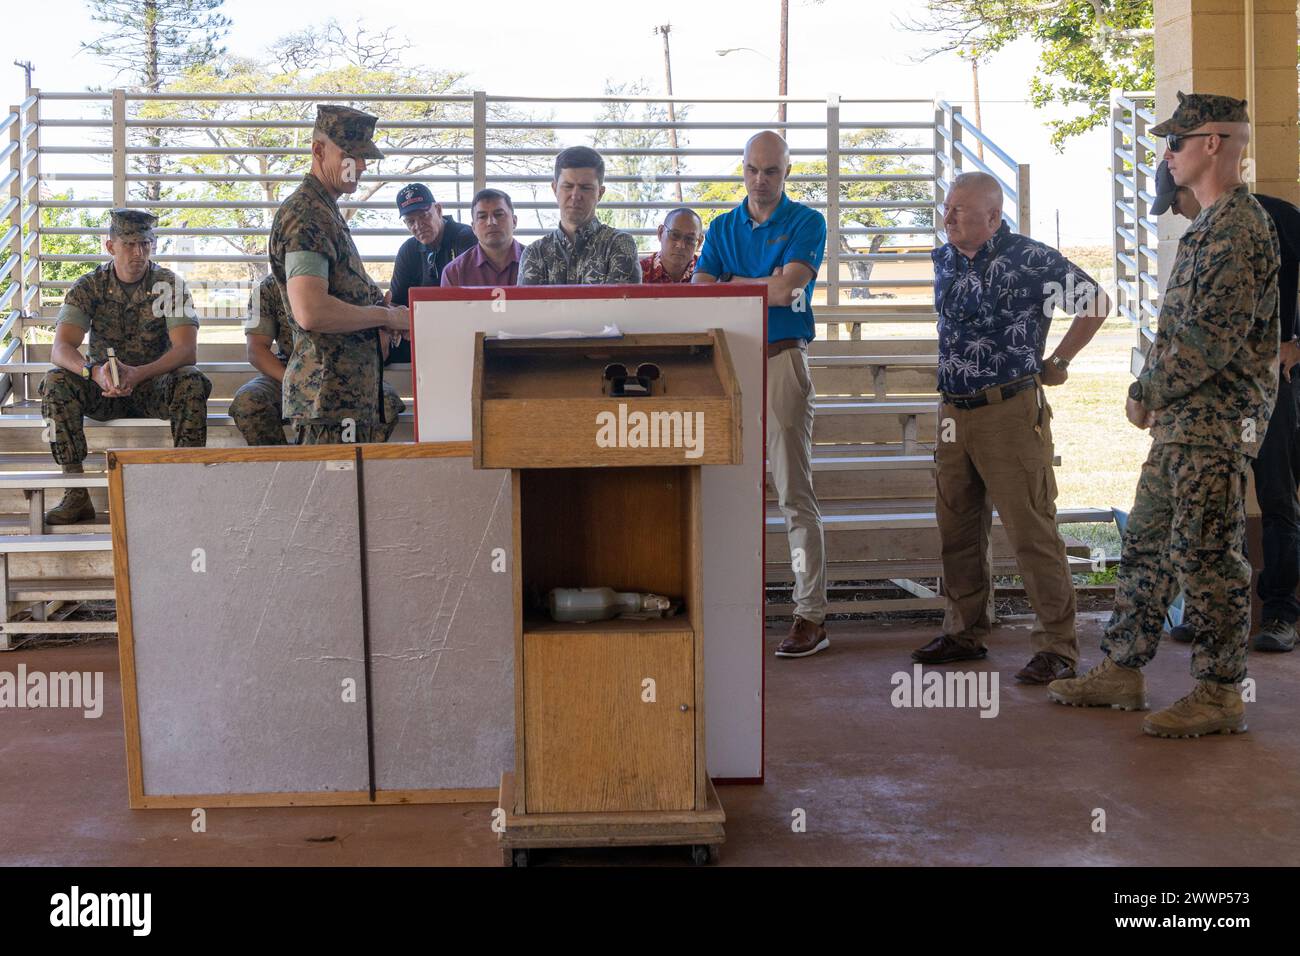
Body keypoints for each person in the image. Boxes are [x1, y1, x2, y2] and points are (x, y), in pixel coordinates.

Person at [1049, 92, 1280, 738]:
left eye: (1176, 143)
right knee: (1148, 542)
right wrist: (1155, 390)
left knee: (1207, 554)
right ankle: (1123, 669)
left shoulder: (1239, 228)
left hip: (1214, 424)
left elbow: (1211, 338)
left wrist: (1147, 387)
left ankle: (1218, 689)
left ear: (1214, 144)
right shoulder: (1209, 226)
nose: (1167, 155)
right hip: (1185, 424)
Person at [912, 171, 1109, 684]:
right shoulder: (945, 258)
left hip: (1010, 411)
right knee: (956, 529)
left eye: (960, 209)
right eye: (947, 207)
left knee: (1031, 531)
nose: (948, 217)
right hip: (953, 412)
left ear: (994, 216)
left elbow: (1097, 301)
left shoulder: (1032, 259)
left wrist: (1060, 359)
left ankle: (1057, 647)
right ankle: (964, 632)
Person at [1151, 160, 1300, 654]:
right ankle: (1209, 610)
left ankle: (1280, 613)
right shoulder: (1200, 237)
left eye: (1176, 201)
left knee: (1277, 498)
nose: (1178, 212)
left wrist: (1296, 343)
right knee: (1218, 498)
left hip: (1273, 388)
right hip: (1216, 398)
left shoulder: (1278, 217)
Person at [693, 130, 829, 658]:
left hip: (781, 360)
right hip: (726, 369)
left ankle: (809, 614)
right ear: (742, 169)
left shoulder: (806, 221)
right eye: (753, 169)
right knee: (724, 490)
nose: (761, 178)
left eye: (771, 170)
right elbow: (701, 295)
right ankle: (725, 609)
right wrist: (759, 282)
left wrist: (735, 280)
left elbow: (786, 289)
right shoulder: (723, 224)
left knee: (794, 493)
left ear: (787, 172)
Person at [40, 208, 211, 524]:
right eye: (130, 244)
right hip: (103, 389)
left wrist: (140, 373)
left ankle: (185, 490)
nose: (139, 252)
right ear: (111, 247)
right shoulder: (89, 286)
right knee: (55, 381)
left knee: (191, 380)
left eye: (146, 243)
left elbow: (187, 350)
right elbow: (61, 348)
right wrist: (93, 372)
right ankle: (76, 491)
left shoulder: (168, 284)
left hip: (152, 387)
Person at [267, 104, 409, 446]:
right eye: (351, 155)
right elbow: (312, 311)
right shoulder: (307, 216)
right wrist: (386, 315)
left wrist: (377, 316)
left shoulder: (325, 211)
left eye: (364, 158)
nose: (360, 166)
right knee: (330, 500)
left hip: (344, 399)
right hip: (328, 402)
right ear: (319, 150)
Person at [231, 274, 405, 445]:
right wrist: (296, 383)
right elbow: (256, 350)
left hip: (351, 371)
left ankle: (354, 467)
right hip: (290, 370)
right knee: (248, 403)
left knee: (387, 404)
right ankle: (283, 467)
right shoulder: (267, 289)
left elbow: (382, 351)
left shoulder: (356, 280)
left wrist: (382, 330)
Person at [518, 146, 641, 285]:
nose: (575, 196)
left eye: (585, 187)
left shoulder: (619, 245)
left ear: (600, 193)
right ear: (554, 188)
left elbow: (620, 305)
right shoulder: (535, 253)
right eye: (568, 186)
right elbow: (529, 307)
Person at [388, 183, 476, 361]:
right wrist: (402, 323)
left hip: (460, 332)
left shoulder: (465, 238)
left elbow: (470, 304)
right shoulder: (408, 250)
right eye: (410, 221)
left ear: (438, 209)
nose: (418, 225)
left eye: (424, 216)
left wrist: (420, 325)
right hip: (418, 333)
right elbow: (395, 303)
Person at [440, 189, 524, 288]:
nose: (491, 222)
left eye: (499, 214)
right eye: (482, 217)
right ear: (473, 227)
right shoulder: (454, 272)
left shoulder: (538, 263)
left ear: (514, 221)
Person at [641, 208, 703, 283]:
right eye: (674, 235)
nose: (681, 245)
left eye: (690, 238)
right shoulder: (638, 273)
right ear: (660, 233)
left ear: (699, 242)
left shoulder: (708, 274)